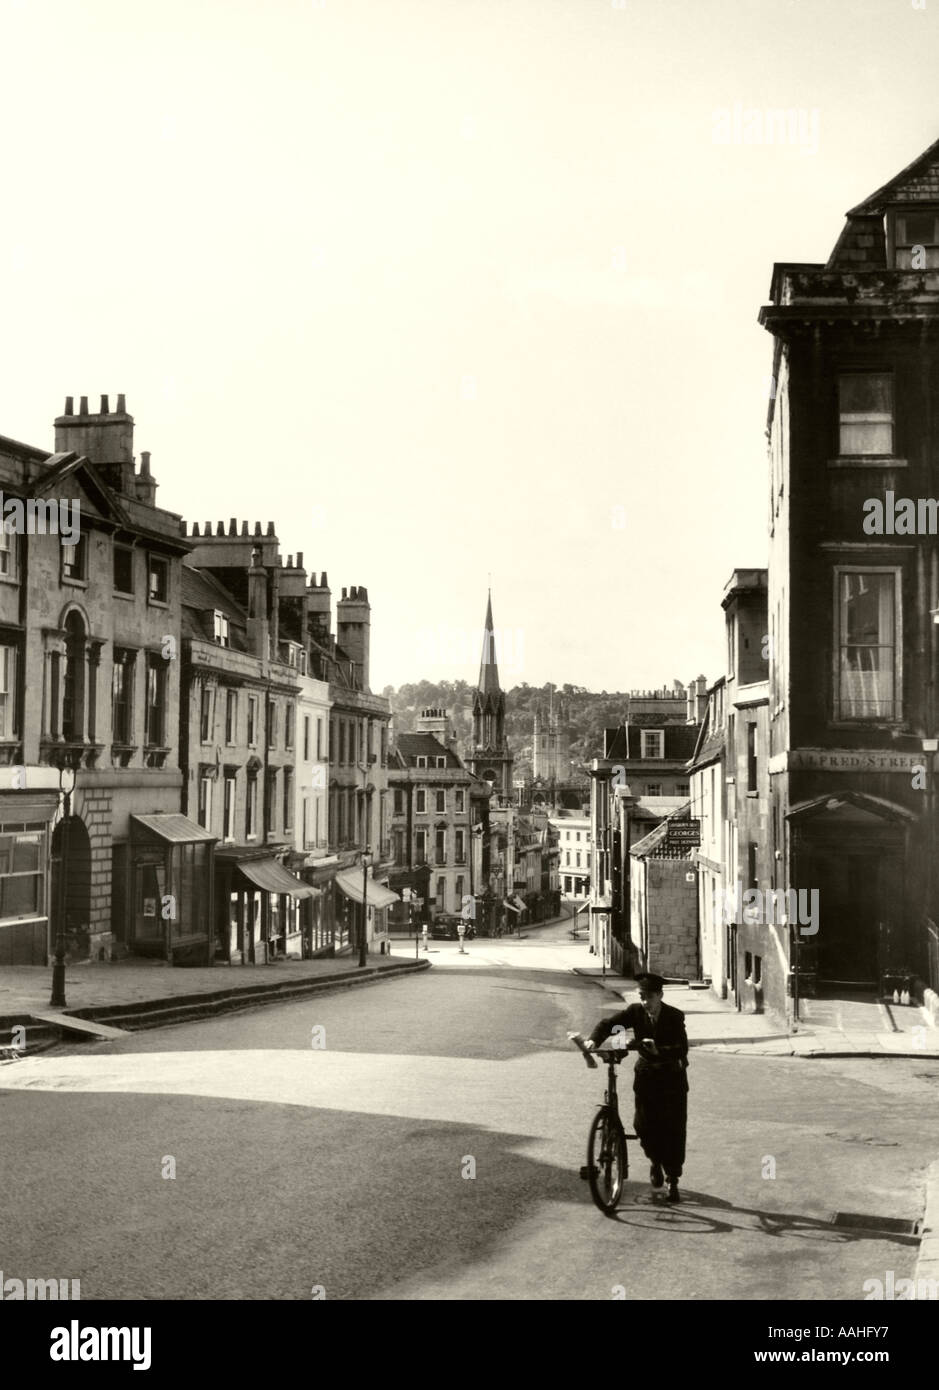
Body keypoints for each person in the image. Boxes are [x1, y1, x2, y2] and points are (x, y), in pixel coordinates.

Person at [583, 971, 689, 1203]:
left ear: (660, 996)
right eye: (641, 996)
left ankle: (672, 1179)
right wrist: (595, 1039)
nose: (645, 1002)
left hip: (672, 1078)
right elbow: (611, 1025)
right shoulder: (636, 1012)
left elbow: (682, 1048)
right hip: (647, 1076)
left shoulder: (674, 1016)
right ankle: (655, 1161)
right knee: (643, 1126)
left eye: (649, 997)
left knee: (673, 1129)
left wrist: (659, 1050)